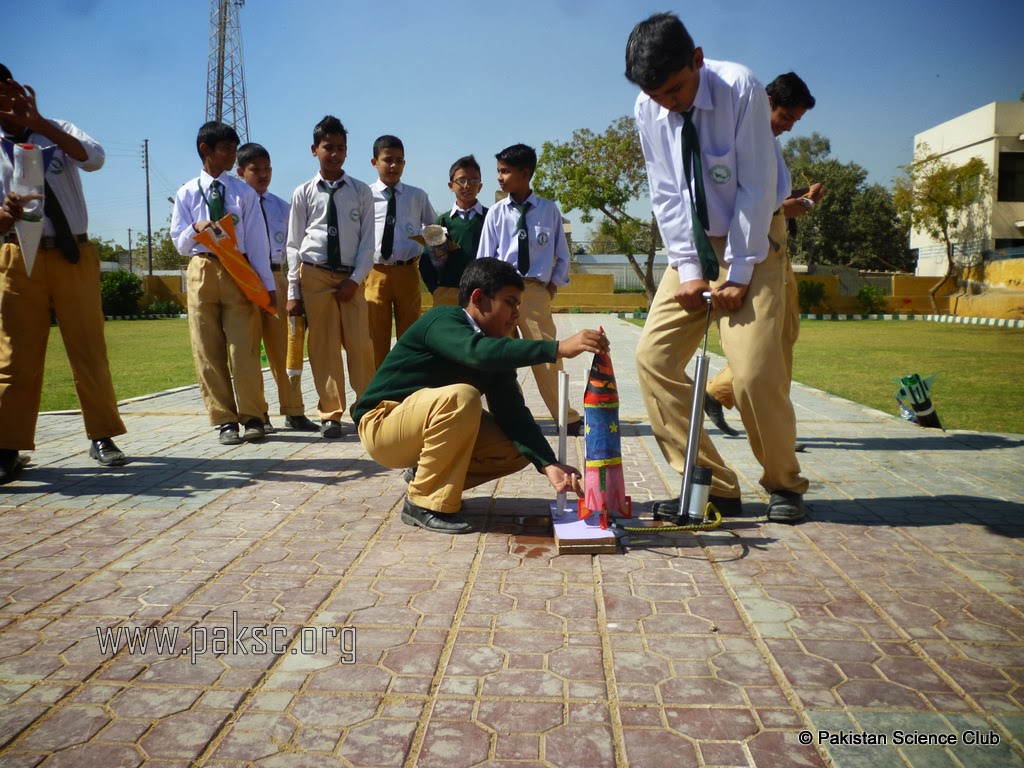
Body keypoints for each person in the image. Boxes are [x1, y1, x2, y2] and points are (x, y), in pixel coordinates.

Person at [626, 13, 809, 523]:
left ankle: (784, 484)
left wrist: (739, 271)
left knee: (752, 372)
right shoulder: (648, 107)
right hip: (693, 245)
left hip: (754, 238)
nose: (669, 101)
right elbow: (666, 192)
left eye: (677, 88)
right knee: (653, 359)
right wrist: (687, 269)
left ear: (698, 60)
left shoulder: (741, 87)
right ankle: (710, 483)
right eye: (657, 93)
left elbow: (754, 183)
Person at [354, 257, 608, 534]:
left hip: (420, 428)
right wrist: (556, 348)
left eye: (518, 305)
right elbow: (475, 353)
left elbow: (513, 415)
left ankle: (425, 479)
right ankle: (423, 504)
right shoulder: (441, 320)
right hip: (383, 424)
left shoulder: (495, 349)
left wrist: (548, 464)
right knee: (462, 397)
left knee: (516, 448)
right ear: (479, 298)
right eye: (510, 302)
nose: (515, 314)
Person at [0, 64, 127, 483]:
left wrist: (39, 125)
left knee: (88, 347)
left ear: (21, 89)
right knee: (15, 357)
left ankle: (102, 436)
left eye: (9, 89)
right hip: (18, 258)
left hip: (73, 253)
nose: (7, 100)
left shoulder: (57, 128)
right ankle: (7, 447)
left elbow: (95, 158)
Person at [703, 72, 826, 439]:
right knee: (767, 344)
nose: (789, 127)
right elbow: (754, 207)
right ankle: (774, 432)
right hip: (752, 252)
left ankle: (729, 398)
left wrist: (803, 200)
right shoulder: (743, 136)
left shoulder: (768, 142)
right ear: (768, 102)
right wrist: (797, 204)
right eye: (786, 117)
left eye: (795, 122)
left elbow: (771, 201)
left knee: (784, 335)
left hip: (773, 250)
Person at [171, 121, 274, 445]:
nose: (232, 155)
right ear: (206, 150)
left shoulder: (243, 192)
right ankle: (225, 420)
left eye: (234, 148)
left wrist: (267, 286)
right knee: (206, 348)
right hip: (202, 268)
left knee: (243, 348)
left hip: (238, 269)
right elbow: (179, 243)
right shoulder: (187, 192)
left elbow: (258, 243)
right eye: (226, 149)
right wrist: (196, 228)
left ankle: (253, 416)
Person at [477, 143, 583, 436]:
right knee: (497, 356)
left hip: (535, 291)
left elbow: (562, 254)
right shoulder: (497, 213)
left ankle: (567, 417)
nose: (500, 177)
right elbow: (485, 257)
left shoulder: (548, 211)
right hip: (500, 291)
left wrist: (550, 287)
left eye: (505, 171)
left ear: (525, 174)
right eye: (498, 171)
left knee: (546, 355)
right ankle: (505, 415)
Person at [286, 116, 376, 439]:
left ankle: (365, 407)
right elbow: (294, 244)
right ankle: (330, 414)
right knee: (322, 345)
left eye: (340, 148)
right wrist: (293, 291)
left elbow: (368, 243)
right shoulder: (304, 193)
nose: (335, 154)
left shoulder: (361, 192)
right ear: (315, 150)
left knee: (360, 343)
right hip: (315, 275)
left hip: (351, 277)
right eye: (328, 147)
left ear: (347, 152)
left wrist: (356, 279)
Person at [236, 142, 318, 433]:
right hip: (244, 282)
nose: (262, 174)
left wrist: (297, 289)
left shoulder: (283, 207)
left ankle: (294, 410)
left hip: (277, 278)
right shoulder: (236, 206)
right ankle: (257, 414)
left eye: (267, 168)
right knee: (246, 351)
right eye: (254, 169)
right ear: (240, 171)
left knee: (287, 347)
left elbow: (296, 247)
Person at [365, 135, 436, 369]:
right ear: (375, 162)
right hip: (375, 274)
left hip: (407, 272)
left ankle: (407, 390)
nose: (393, 165)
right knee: (376, 337)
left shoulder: (417, 196)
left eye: (399, 160)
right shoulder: (364, 196)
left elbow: (433, 228)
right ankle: (376, 393)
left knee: (410, 335)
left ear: (404, 164)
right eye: (388, 160)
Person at [420, 155, 487, 308]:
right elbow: (426, 262)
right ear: (451, 185)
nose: (467, 186)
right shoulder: (442, 222)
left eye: (473, 181)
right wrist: (436, 290)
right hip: (448, 295)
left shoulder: (491, 218)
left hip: (484, 293)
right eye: (461, 180)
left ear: (480, 186)